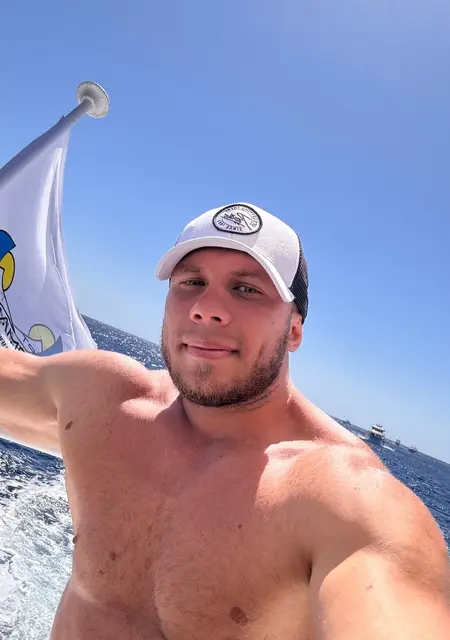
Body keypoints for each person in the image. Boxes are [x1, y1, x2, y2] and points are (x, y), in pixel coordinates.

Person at [0, 202, 449, 640]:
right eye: (191, 282)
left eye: (247, 289)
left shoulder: (346, 503)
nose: (206, 307)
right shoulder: (103, 401)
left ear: (294, 330)